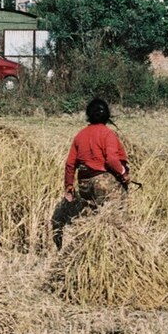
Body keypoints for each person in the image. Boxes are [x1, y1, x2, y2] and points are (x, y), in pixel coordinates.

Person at [52, 97, 131, 248]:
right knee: (116, 220)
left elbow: (70, 164)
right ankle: (114, 251)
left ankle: (89, 249)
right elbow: (112, 160)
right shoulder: (108, 134)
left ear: (88, 115)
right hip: (104, 181)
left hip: (84, 184)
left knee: (90, 220)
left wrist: (69, 186)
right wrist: (124, 174)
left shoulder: (80, 136)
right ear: (107, 115)